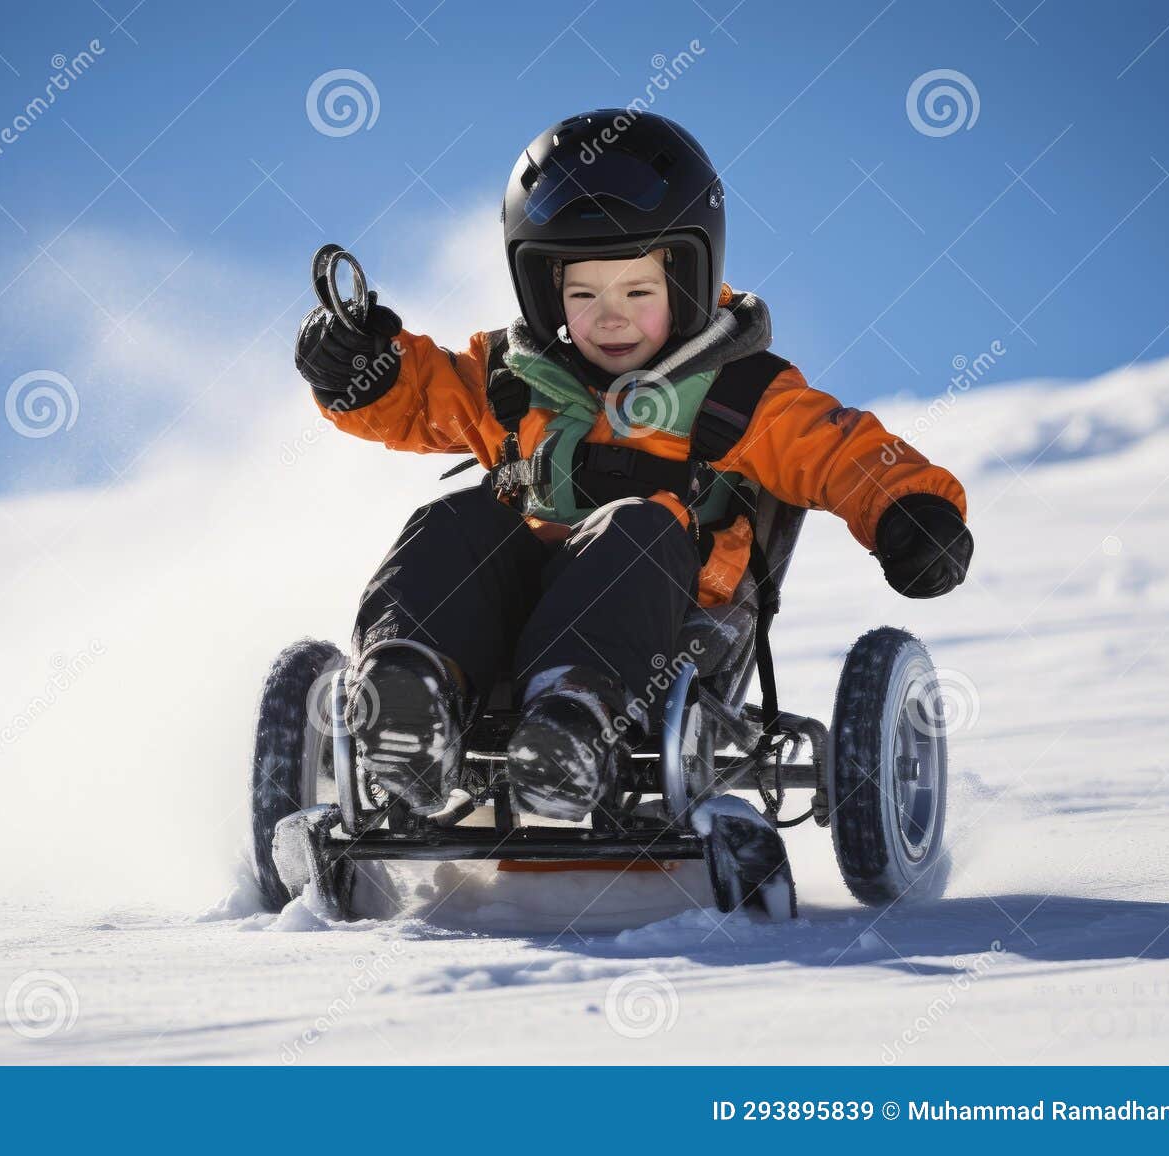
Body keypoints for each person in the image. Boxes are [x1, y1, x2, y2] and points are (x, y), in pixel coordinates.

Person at [294, 109, 973, 827]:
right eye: (583, 296)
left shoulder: (742, 392)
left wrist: (910, 510)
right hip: (511, 615)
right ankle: (411, 693)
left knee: (634, 527)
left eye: (637, 293)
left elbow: (840, 451)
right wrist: (362, 370)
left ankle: (572, 720)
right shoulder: (510, 378)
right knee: (450, 521)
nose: (610, 317)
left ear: (687, 280)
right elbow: (419, 397)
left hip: (670, 626)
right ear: (545, 291)